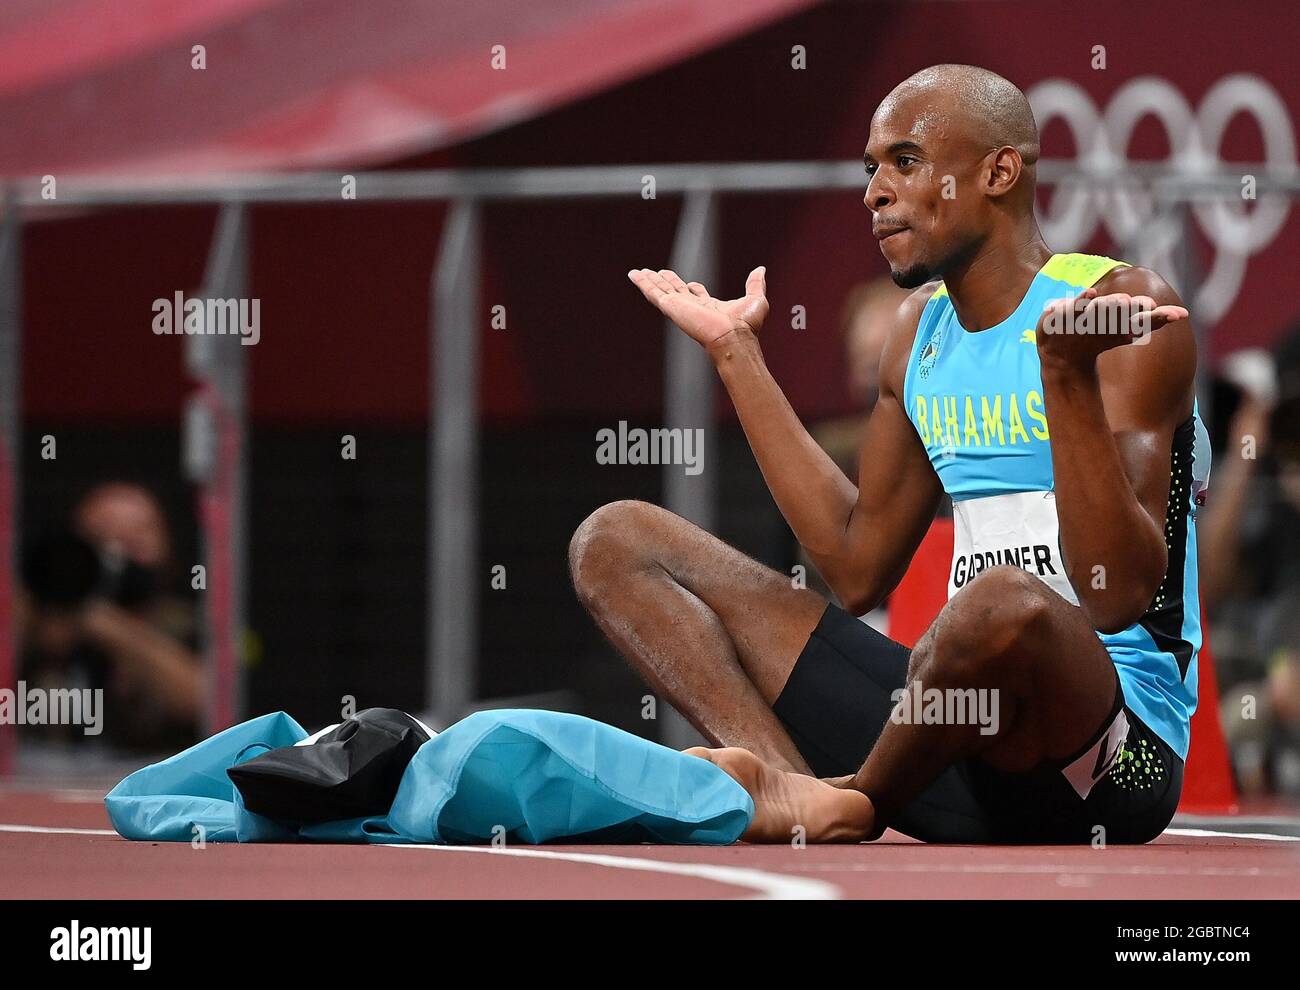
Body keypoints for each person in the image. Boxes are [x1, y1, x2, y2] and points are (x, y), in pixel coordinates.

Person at [570, 64, 1207, 844]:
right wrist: (738, 355)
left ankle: (858, 800)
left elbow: (1116, 596)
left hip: (1109, 767)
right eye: (871, 169)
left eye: (904, 162)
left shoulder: (1121, 311)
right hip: (949, 735)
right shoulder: (918, 335)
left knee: (1002, 604)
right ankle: (798, 796)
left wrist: (1064, 376)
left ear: (999, 171)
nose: (874, 193)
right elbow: (855, 564)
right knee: (615, 542)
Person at [19, 482, 203, 750]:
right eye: (102, 537)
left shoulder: (190, 623)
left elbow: (205, 701)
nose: (118, 555)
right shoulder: (36, 615)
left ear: (167, 548)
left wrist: (104, 624)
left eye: (135, 540)